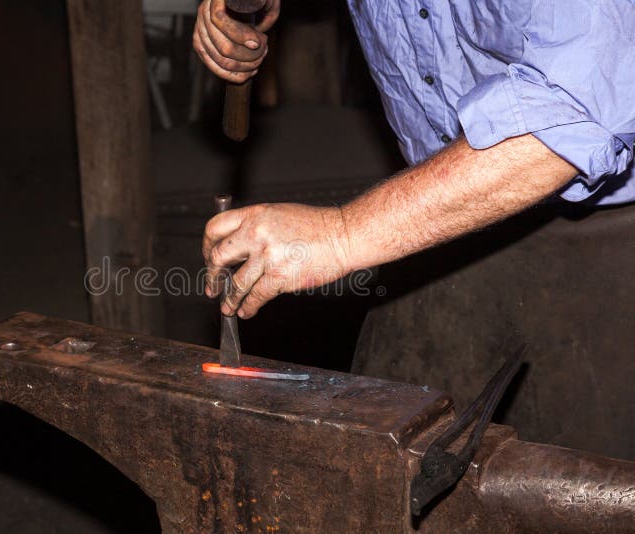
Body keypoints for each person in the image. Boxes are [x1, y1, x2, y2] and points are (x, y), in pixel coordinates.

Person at [193, 0, 635, 457]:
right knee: (377, 467)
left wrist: (342, 234)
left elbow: (582, 108)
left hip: (610, 237)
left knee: (581, 489)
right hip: (432, 222)